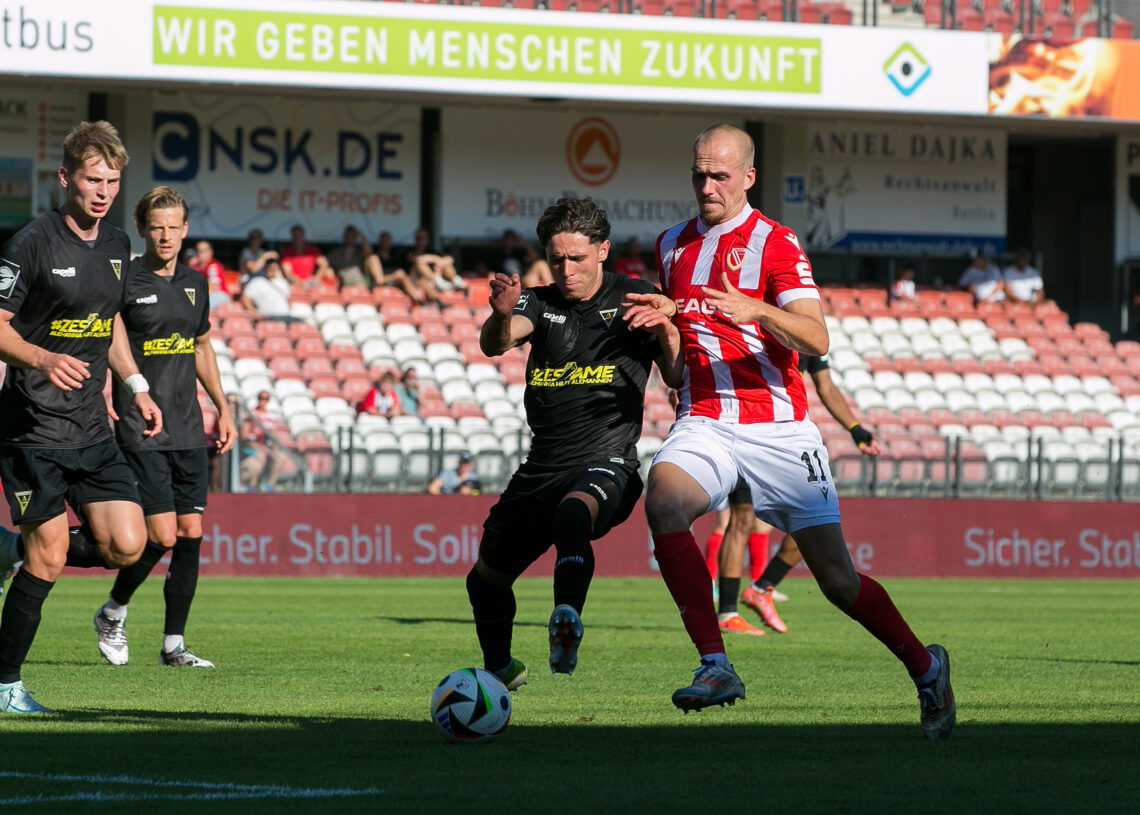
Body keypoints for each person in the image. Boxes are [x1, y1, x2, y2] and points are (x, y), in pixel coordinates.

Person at [624, 124, 954, 738]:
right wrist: (664, 331)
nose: (707, 185)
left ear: (748, 177)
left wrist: (759, 310)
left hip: (778, 425)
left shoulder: (775, 243)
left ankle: (925, 665)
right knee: (664, 502)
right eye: (699, 173)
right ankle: (715, 663)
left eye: (720, 174)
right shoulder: (671, 244)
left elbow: (817, 337)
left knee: (837, 579)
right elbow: (674, 365)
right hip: (705, 416)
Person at [466, 196, 682, 694]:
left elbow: (675, 373)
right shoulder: (537, 302)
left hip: (608, 463)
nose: (566, 269)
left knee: (571, 515)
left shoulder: (634, 298)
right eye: (557, 258)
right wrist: (501, 314)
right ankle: (500, 670)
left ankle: (566, 618)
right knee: (485, 581)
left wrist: (668, 329)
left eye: (577, 259)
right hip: (541, 467)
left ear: (603, 250)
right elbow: (496, 342)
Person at [0, 121, 162, 714]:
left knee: (129, 543)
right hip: (32, 426)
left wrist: (136, 384)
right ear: (66, 177)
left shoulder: (119, 245)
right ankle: (5, 684)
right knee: (49, 558)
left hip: (92, 427)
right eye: (93, 180)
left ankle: (8, 551)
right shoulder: (30, 244)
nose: (103, 192)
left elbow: (109, 321)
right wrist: (42, 357)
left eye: (113, 181)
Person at [93, 185, 237, 669]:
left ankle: (173, 645)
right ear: (142, 230)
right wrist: (113, 390)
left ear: (186, 229)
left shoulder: (197, 283)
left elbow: (201, 347)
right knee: (162, 536)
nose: (166, 235)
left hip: (189, 427)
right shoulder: (125, 280)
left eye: (174, 226)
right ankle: (113, 609)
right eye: (157, 226)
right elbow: (106, 340)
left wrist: (224, 407)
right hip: (142, 425)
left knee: (191, 531)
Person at [715, 352, 883, 637]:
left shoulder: (807, 330)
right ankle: (728, 613)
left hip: (788, 439)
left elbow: (826, 385)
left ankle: (761, 588)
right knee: (741, 519)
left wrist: (854, 428)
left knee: (813, 519)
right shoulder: (754, 320)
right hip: (744, 430)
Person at [240, 391, 287, 492]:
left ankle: (270, 485)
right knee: (260, 457)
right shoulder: (251, 415)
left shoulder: (271, 417)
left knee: (280, 457)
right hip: (251, 448)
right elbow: (244, 437)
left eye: (266, 398)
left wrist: (274, 450)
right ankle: (252, 486)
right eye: (261, 398)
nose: (263, 401)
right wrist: (260, 448)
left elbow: (275, 437)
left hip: (264, 447)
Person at [402, 227, 465, 293]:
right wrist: (436, 259)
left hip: (436, 278)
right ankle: (436, 280)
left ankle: (455, 280)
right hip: (417, 281)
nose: (420, 240)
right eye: (418, 238)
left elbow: (450, 259)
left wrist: (439, 264)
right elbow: (418, 259)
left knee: (446, 264)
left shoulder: (432, 250)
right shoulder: (409, 251)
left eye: (423, 238)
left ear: (428, 239)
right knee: (420, 263)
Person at [280, 224, 336, 289]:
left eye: (299, 235)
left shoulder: (312, 250)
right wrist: (301, 284)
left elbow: (324, 263)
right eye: (295, 235)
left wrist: (315, 278)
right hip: (294, 284)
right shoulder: (287, 252)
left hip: (311, 283)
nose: (297, 238)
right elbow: (288, 273)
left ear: (303, 236)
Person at [239, 257, 294, 323]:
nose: (271, 268)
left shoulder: (283, 282)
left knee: (301, 324)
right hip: (267, 316)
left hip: (285, 316)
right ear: (264, 267)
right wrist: (254, 313)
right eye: (269, 266)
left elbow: (288, 300)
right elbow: (245, 299)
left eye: (274, 266)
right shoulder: (256, 282)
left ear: (278, 268)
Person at [187, 240, 231, 308]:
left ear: (210, 252)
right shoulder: (197, 267)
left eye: (203, 251)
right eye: (198, 251)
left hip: (219, 295)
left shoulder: (213, 265)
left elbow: (211, 287)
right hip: (205, 295)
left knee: (199, 305)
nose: (199, 253)